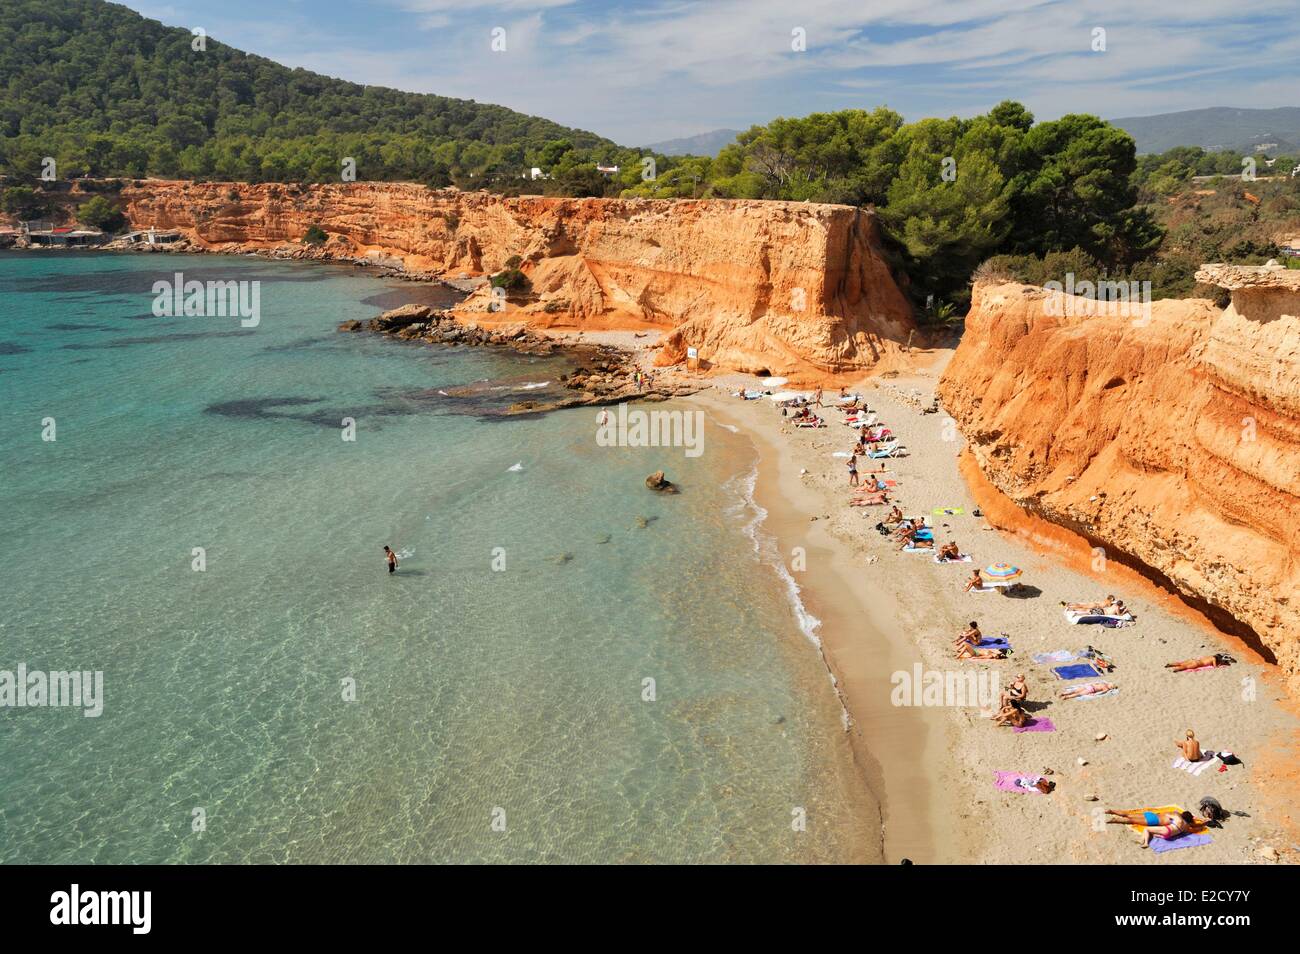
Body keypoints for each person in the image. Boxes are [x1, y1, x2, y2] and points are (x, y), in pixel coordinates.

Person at [1165, 653, 1233, 671]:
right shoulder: (1213, 659)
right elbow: (1215, 666)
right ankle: (1175, 669)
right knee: (1185, 667)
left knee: (1181, 663)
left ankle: (1170, 664)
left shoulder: (1210, 656)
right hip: (1198, 664)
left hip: (1195, 660)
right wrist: (1220, 664)